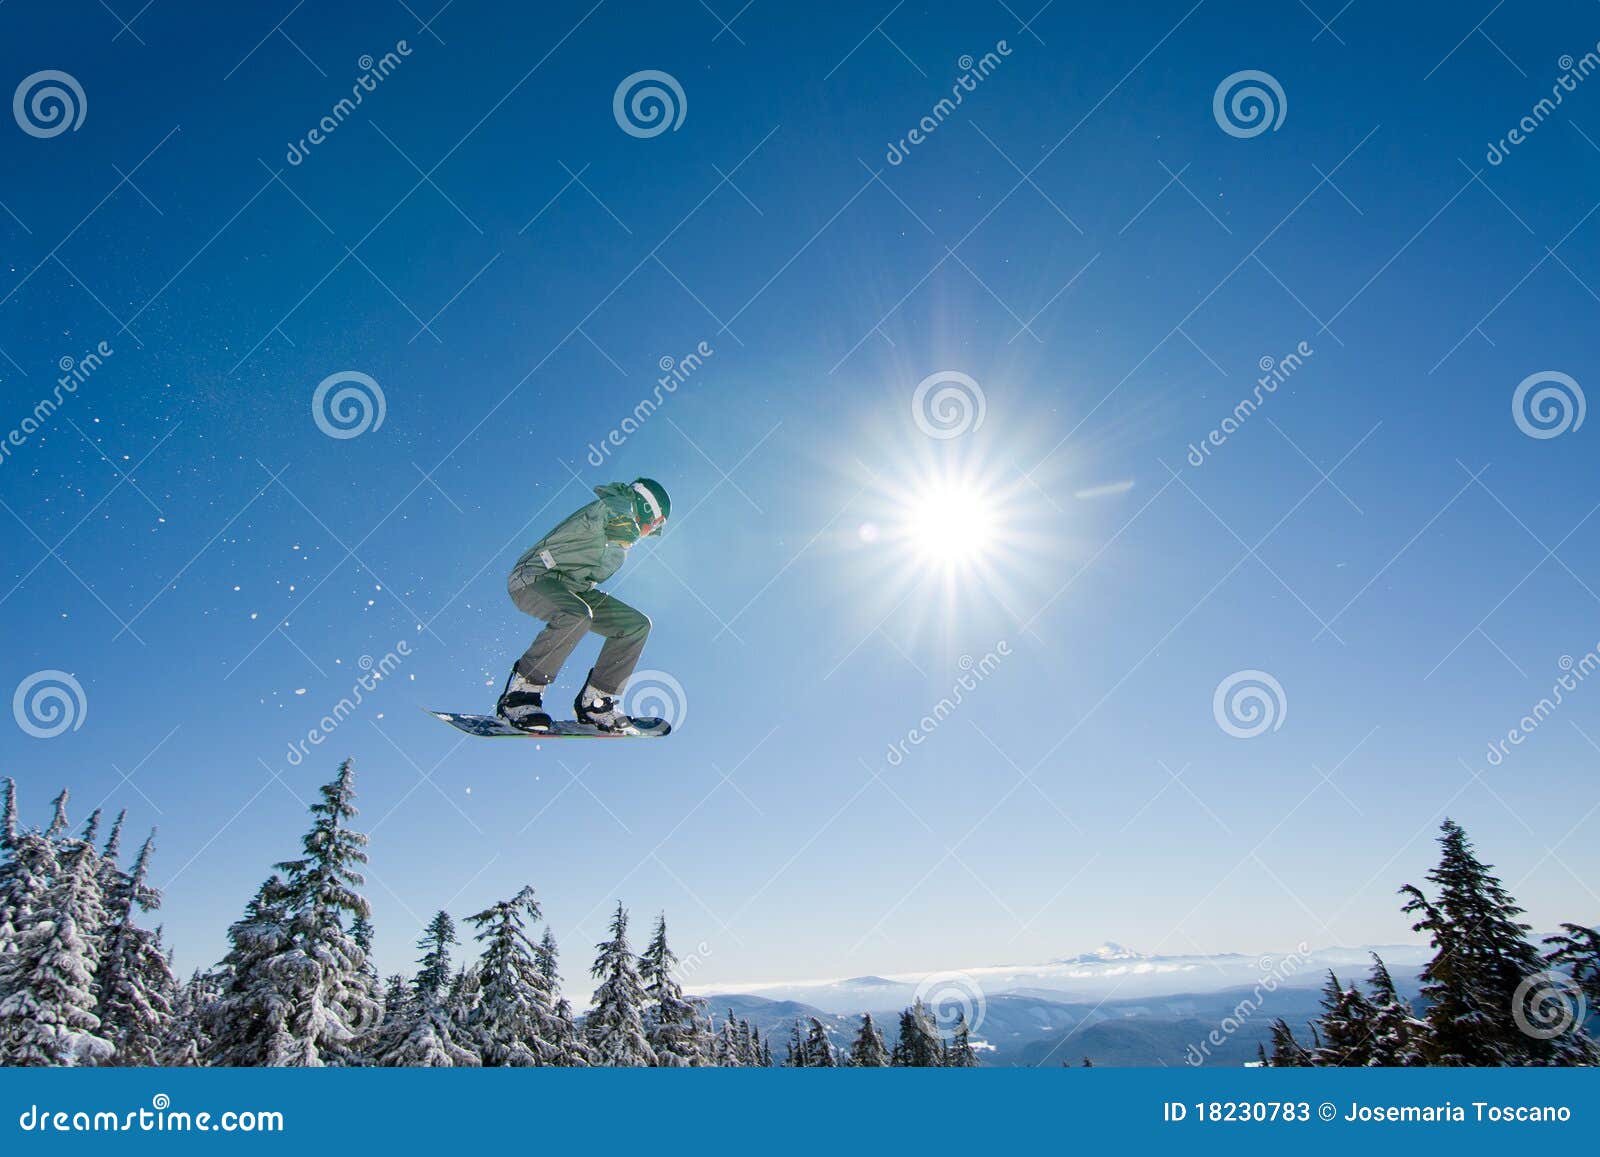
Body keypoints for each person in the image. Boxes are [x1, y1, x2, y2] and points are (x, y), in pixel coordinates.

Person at [496, 478, 670, 733]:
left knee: (636, 626)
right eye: (654, 524)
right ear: (647, 509)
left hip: (573, 590)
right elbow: (617, 499)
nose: (649, 532)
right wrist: (624, 517)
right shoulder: (616, 506)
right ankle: (521, 695)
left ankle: (596, 702)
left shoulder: (622, 541)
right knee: (578, 616)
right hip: (533, 578)